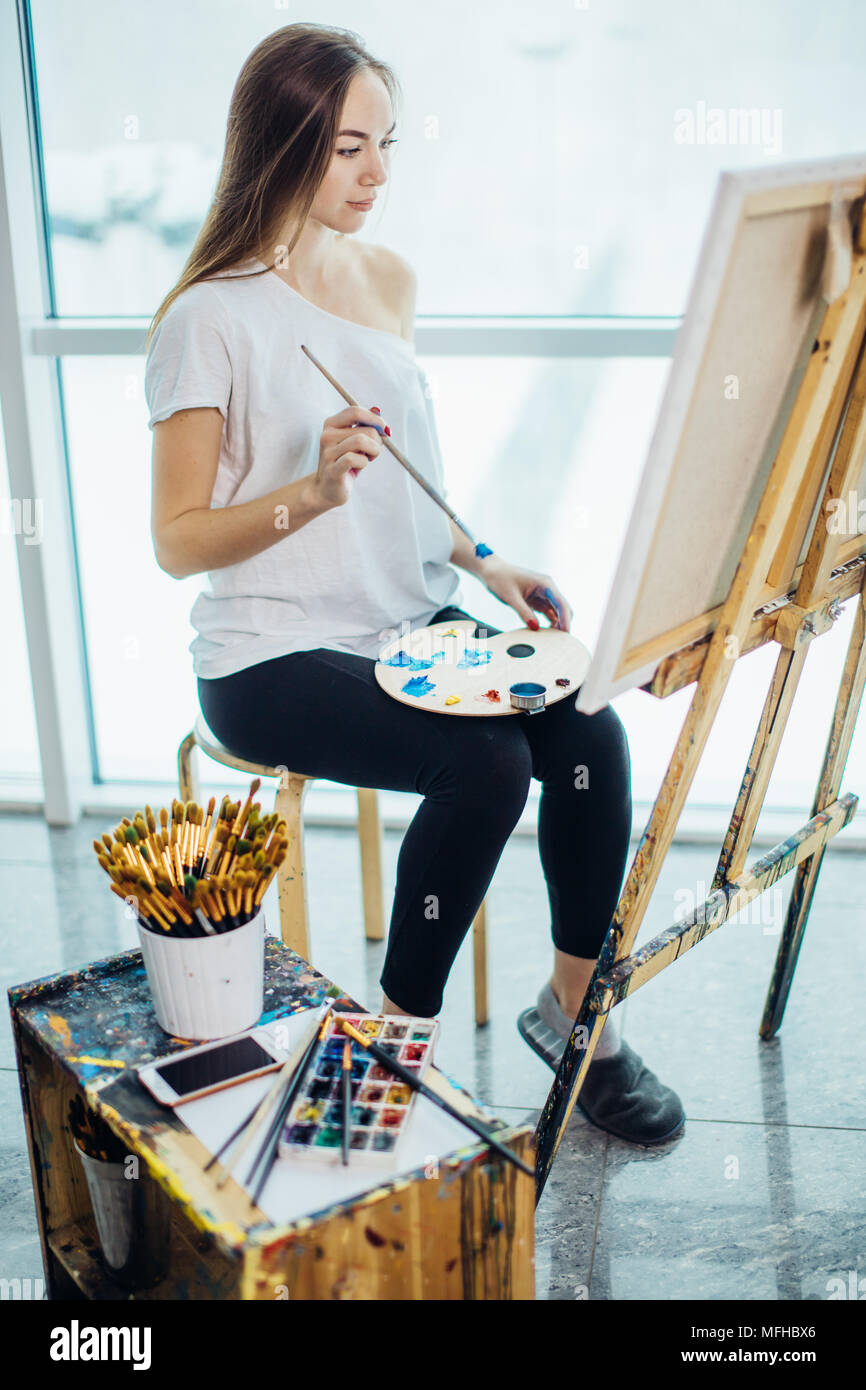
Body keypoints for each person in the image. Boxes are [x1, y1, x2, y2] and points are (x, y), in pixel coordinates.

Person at [145, 23, 683, 1144]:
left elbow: (409, 478)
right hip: (267, 650)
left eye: (384, 144)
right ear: (279, 144)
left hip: (403, 618)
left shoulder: (388, 278)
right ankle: (390, 1052)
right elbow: (178, 540)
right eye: (348, 149)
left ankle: (577, 1017)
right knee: (481, 762)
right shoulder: (206, 318)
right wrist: (306, 492)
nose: (378, 174)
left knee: (585, 729)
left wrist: (488, 566)